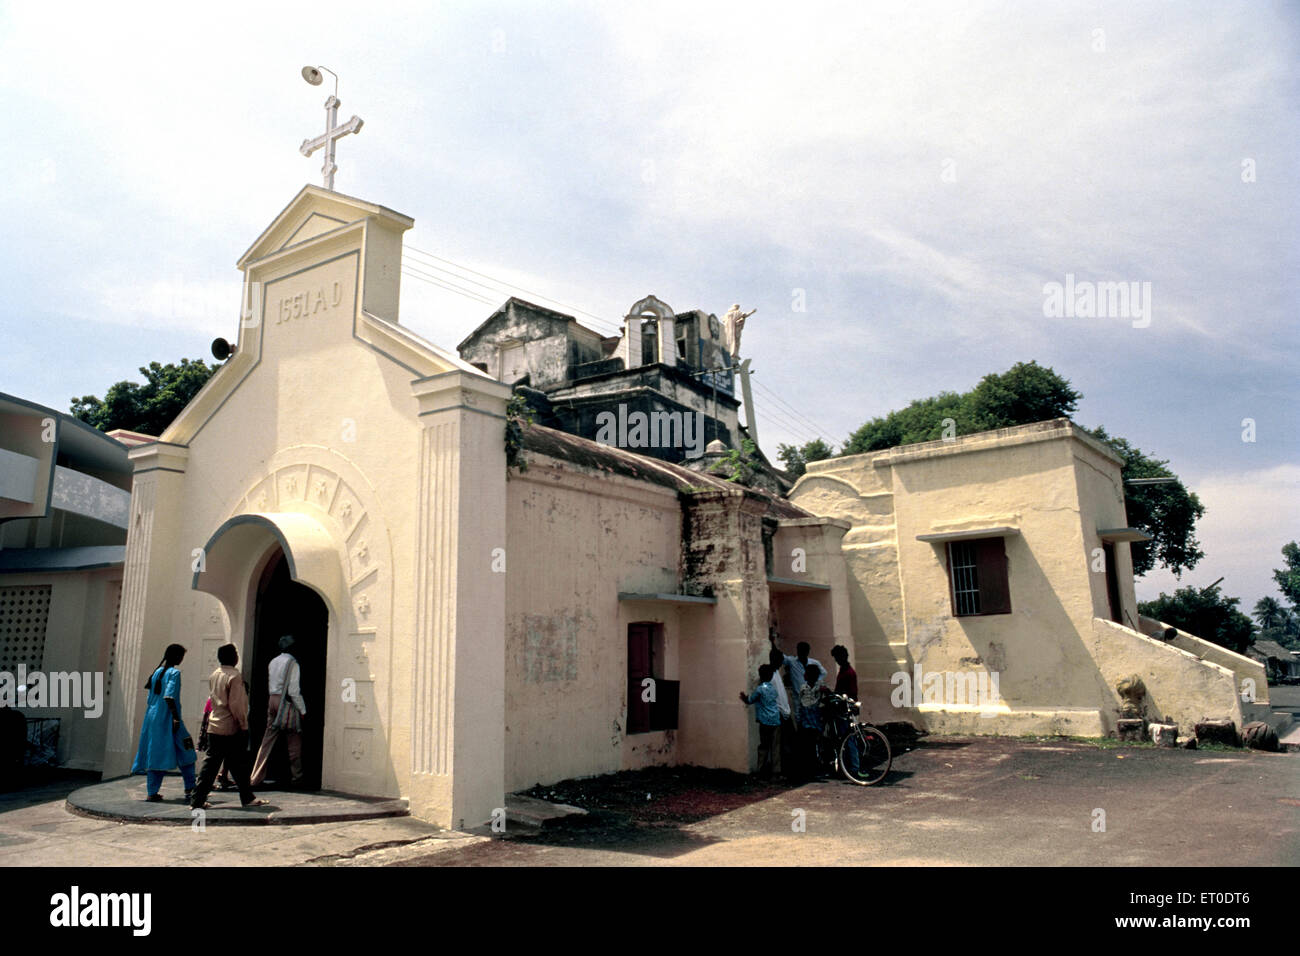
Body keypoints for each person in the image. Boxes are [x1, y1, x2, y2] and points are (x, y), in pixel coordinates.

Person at [190, 644, 265, 810]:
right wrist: (243, 724)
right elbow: (236, 705)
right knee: (239, 765)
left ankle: (197, 801)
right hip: (230, 727)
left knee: (210, 766)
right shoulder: (234, 676)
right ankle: (247, 797)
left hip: (214, 725)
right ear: (232, 657)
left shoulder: (214, 675)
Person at [131, 643, 198, 802]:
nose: (182, 659)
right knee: (188, 748)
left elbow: (151, 697)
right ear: (177, 657)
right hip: (168, 718)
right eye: (181, 656)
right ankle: (190, 788)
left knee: (155, 754)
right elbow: (169, 696)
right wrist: (175, 717)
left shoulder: (157, 672)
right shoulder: (174, 673)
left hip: (153, 718)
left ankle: (152, 792)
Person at [251, 635, 307, 788]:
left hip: (272, 700)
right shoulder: (293, 663)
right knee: (294, 739)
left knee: (267, 740)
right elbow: (294, 690)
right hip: (286, 702)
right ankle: (297, 776)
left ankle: (256, 776)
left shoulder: (273, 661)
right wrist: (302, 709)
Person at [738, 663, 780, 778]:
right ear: (771, 676)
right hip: (775, 719)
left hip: (765, 721)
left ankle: (761, 769)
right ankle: (776, 770)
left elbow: (751, 700)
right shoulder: (773, 688)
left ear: (760, 676)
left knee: (764, 746)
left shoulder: (760, 689)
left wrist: (744, 697)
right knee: (775, 746)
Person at [830, 645, 860, 777]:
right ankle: (846, 766)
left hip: (845, 709)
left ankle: (853, 767)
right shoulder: (844, 670)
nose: (837, 660)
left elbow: (851, 692)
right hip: (842, 708)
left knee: (848, 739)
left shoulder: (848, 672)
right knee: (845, 738)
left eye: (837, 657)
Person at [797, 663, 827, 779]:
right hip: (807, 721)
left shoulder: (819, 687)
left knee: (815, 745)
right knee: (808, 746)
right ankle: (810, 770)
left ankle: (814, 768)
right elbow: (802, 704)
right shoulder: (804, 688)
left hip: (815, 721)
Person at [767, 648, 793, 778]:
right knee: (778, 744)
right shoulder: (771, 674)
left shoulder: (776, 672)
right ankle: (778, 770)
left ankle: (784, 769)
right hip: (778, 713)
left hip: (785, 712)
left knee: (785, 743)